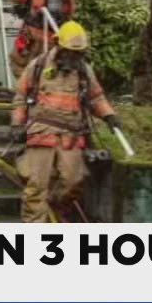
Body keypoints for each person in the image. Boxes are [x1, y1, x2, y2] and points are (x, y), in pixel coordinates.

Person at [9, 21, 121, 223]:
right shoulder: (38, 66)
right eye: (69, 52)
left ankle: (54, 211)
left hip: (71, 136)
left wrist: (109, 115)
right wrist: (17, 124)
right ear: (57, 45)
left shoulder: (84, 71)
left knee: (74, 181)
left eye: (77, 53)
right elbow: (20, 97)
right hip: (41, 133)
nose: (73, 57)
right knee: (36, 186)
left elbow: (96, 98)